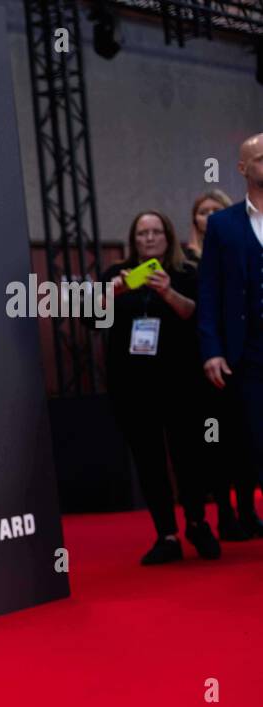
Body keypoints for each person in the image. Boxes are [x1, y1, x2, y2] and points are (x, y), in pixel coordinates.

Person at [101, 210, 220, 564]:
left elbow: (197, 315)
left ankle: (198, 523)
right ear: (133, 239)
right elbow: (90, 319)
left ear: (168, 236)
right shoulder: (116, 275)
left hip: (181, 381)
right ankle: (165, 534)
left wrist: (167, 292)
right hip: (133, 384)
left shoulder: (186, 273)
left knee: (189, 458)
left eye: (155, 232)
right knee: (149, 459)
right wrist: (113, 293)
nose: (149, 238)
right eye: (142, 233)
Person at [201, 132, 263, 534]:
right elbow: (209, 291)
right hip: (249, 352)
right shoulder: (223, 225)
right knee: (256, 440)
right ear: (243, 168)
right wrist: (211, 348)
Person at [183, 189, 233, 265]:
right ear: (195, 221)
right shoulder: (184, 256)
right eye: (203, 213)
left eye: (217, 211)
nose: (211, 216)